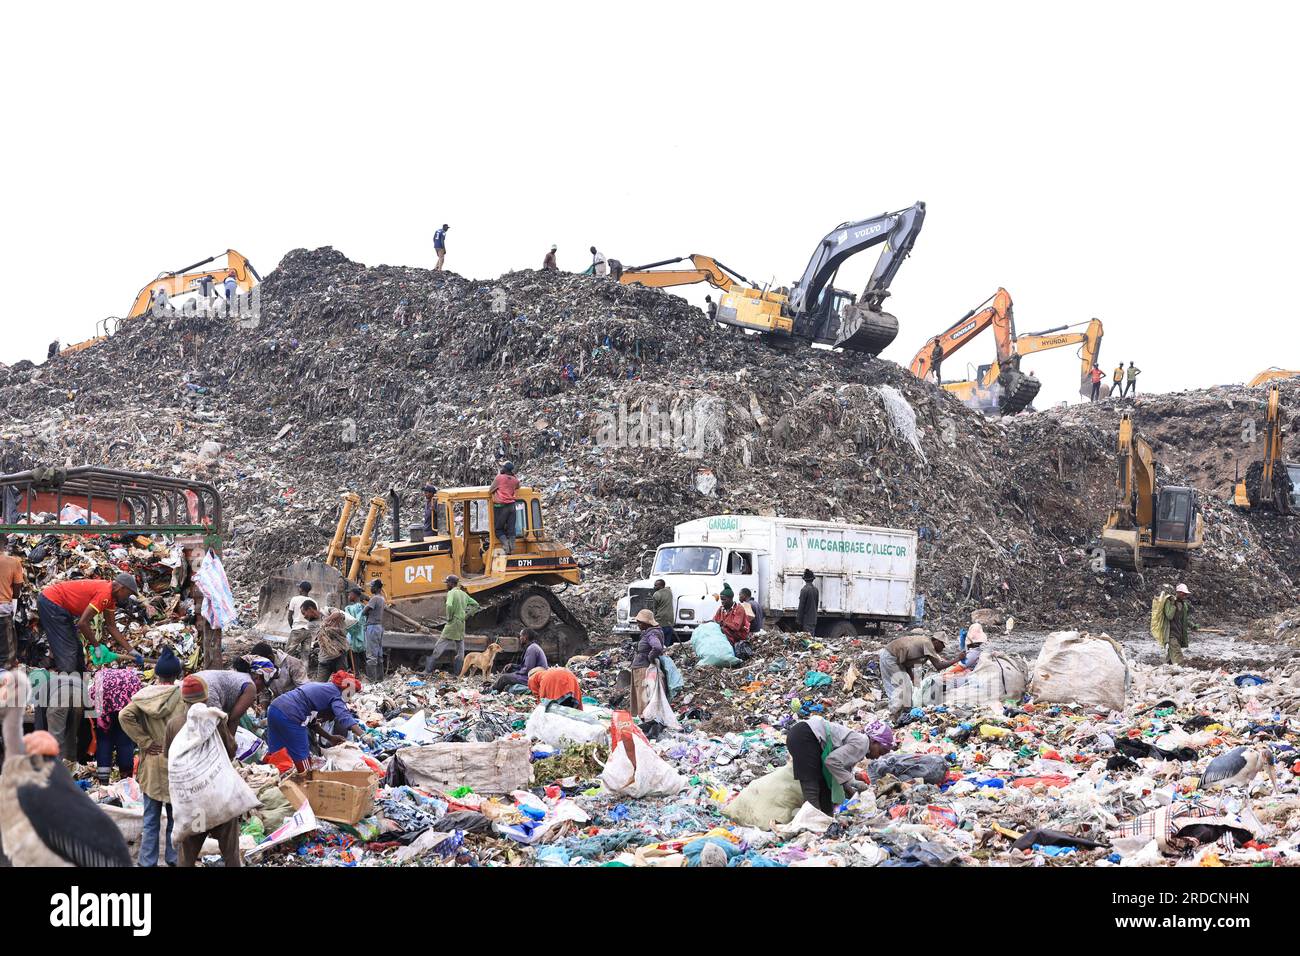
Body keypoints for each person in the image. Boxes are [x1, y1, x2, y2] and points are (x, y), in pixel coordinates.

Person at [38, 573, 141, 760]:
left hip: (62, 608)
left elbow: (112, 627)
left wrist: (131, 650)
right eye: (129, 593)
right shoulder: (105, 593)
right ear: (121, 588)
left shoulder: (111, 599)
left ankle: (77, 692)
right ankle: (66, 692)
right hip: (51, 602)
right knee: (68, 656)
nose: (128, 597)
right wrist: (95, 645)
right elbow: (83, 623)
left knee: (77, 655)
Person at [164, 675, 241, 867]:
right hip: (219, 798)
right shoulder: (215, 720)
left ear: (183, 700)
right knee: (231, 853)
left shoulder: (173, 725)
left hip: (194, 803)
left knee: (188, 855)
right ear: (206, 699)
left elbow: (170, 758)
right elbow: (230, 750)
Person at [119, 647, 183, 867]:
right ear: (177, 675)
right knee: (176, 820)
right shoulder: (182, 698)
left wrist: (145, 742)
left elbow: (124, 715)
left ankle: (147, 863)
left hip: (153, 767)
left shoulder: (145, 697)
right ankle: (175, 861)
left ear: (157, 674)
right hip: (176, 766)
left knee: (150, 821)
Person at [785, 717, 894, 814]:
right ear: (875, 742)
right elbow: (832, 761)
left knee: (825, 787)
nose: (877, 757)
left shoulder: (860, 743)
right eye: (880, 752)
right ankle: (813, 822)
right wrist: (854, 782)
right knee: (812, 786)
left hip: (803, 734)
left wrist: (854, 795)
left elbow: (839, 774)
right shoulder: (862, 744)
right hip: (806, 736)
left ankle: (826, 819)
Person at [266, 671, 367, 774]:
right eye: (351, 692)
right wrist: (363, 735)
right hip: (292, 715)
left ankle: (273, 777)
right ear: (347, 688)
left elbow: (312, 723)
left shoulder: (322, 688)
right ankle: (306, 781)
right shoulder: (336, 694)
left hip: (274, 709)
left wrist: (330, 737)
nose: (349, 697)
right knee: (303, 760)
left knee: (276, 752)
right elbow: (344, 716)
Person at [91, 666, 142, 785]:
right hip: (126, 713)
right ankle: (126, 781)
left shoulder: (101, 676)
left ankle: (103, 783)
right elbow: (139, 699)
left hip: (104, 714)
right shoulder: (131, 677)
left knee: (104, 743)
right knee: (125, 743)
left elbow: (92, 697)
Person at [879, 634, 946, 718]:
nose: (943, 648)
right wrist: (958, 659)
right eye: (942, 645)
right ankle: (894, 713)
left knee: (907, 685)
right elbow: (938, 666)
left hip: (895, 658)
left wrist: (912, 677)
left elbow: (907, 662)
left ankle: (905, 710)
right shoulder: (928, 644)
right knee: (900, 687)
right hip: (890, 657)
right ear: (936, 641)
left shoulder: (924, 644)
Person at [427, 575, 478, 675]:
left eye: (447, 583)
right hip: (461, 624)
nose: (446, 585)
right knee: (460, 650)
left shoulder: (451, 593)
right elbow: (476, 604)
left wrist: (449, 617)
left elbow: (449, 605)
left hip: (453, 623)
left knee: (439, 645)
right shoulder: (463, 594)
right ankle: (458, 673)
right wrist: (467, 615)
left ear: (451, 583)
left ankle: (427, 670)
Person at [192, 665, 261, 734]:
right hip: (208, 689)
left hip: (192, 680)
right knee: (217, 732)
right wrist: (230, 741)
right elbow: (233, 719)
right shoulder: (251, 687)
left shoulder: (241, 676)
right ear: (258, 677)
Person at [630, 609, 667, 717]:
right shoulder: (651, 632)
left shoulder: (652, 633)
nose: (638, 625)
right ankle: (643, 718)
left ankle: (645, 719)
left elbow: (657, 647)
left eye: (640, 623)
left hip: (643, 669)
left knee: (643, 696)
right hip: (641, 667)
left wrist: (650, 658)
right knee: (641, 694)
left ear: (646, 623)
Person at [308, 603, 357, 680]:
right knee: (319, 683)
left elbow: (338, 614)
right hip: (324, 659)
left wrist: (326, 621)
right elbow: (321, 637)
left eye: (304, 613)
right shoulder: (311, 624)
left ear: (310, 609)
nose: (304, 616)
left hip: (339, 655)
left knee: (342, 682)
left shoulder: (326, 611)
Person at [0, 535, 26, 667]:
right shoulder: (13, 562)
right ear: (4, 544)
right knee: (6, 654)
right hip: (3, 610)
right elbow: (17, 589)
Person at [489, 462, 521, 554]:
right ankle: (512, 548)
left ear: (505, 469)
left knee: (498, 529)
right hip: (512, 506)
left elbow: (491, 490)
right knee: (511, 530)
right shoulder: (515, 480)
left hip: (501, 506)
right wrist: (513, 476)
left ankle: (506, 545)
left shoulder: (499, 478)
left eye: (503, 467)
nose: (501, 468)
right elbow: (518, 485)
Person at [1162, 583, 1192, 665]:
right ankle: (1180, 668)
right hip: (1171, 633)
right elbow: (1169, 616)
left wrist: (1192, 625)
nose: (1185, 596)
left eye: (1186, 594)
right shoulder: (1169, 602)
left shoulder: (1183, 605)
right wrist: (1173, 604)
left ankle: (1166, 666)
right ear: (1178, 592)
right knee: (1177, 653)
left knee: (1171, 653)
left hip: (1179, 633)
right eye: (1183, 594)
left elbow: (1183, 619)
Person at [363, 579, 386, 682]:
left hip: (372, 627)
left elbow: (364, 611)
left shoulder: (374, 598)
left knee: (371, 655)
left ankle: (371, 680)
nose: (370, 588)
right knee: (379, 654)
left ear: (376, 588)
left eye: (371, 587)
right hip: (379, 627)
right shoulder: (382, 598)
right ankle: (380, 679)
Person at [286, 581, 314, 662]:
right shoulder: (313, 602)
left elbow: (289, 616)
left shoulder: (294, 599)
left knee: (288, 654)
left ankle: (284, 673)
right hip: (308, 631)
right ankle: (304, 673)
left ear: (301, 589)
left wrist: (293, 627)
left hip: (297, 629)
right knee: (305, 656)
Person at [344, 588, 368, 674]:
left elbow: (352, 622)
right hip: (361, 634)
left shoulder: (352, 608)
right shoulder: (363, 606)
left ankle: (356, 674)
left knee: (354, 656)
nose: (349, 596)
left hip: (354, 634)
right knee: (362, 656)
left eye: (350, 595)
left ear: (354, 595)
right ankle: (366, 674)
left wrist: (351, 631)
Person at [651, 578, 676, 645]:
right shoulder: (669, 591)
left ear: (661, 586)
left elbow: (654, 609)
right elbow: (668, 588)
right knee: (667, 643)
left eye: (656, 585)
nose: (654, 587)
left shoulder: (656, 594)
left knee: (659, 642)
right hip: (670, 621)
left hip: (660, 621)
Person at [797, 569, 819, 634]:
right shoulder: (816, 590)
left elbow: (801, 606)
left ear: (805, 579)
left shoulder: (804, 590)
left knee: (807, 640)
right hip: (813, 619)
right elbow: (816, 605)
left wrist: (798, 620)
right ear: (812, 579)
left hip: (806, 620)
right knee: (811, 639)